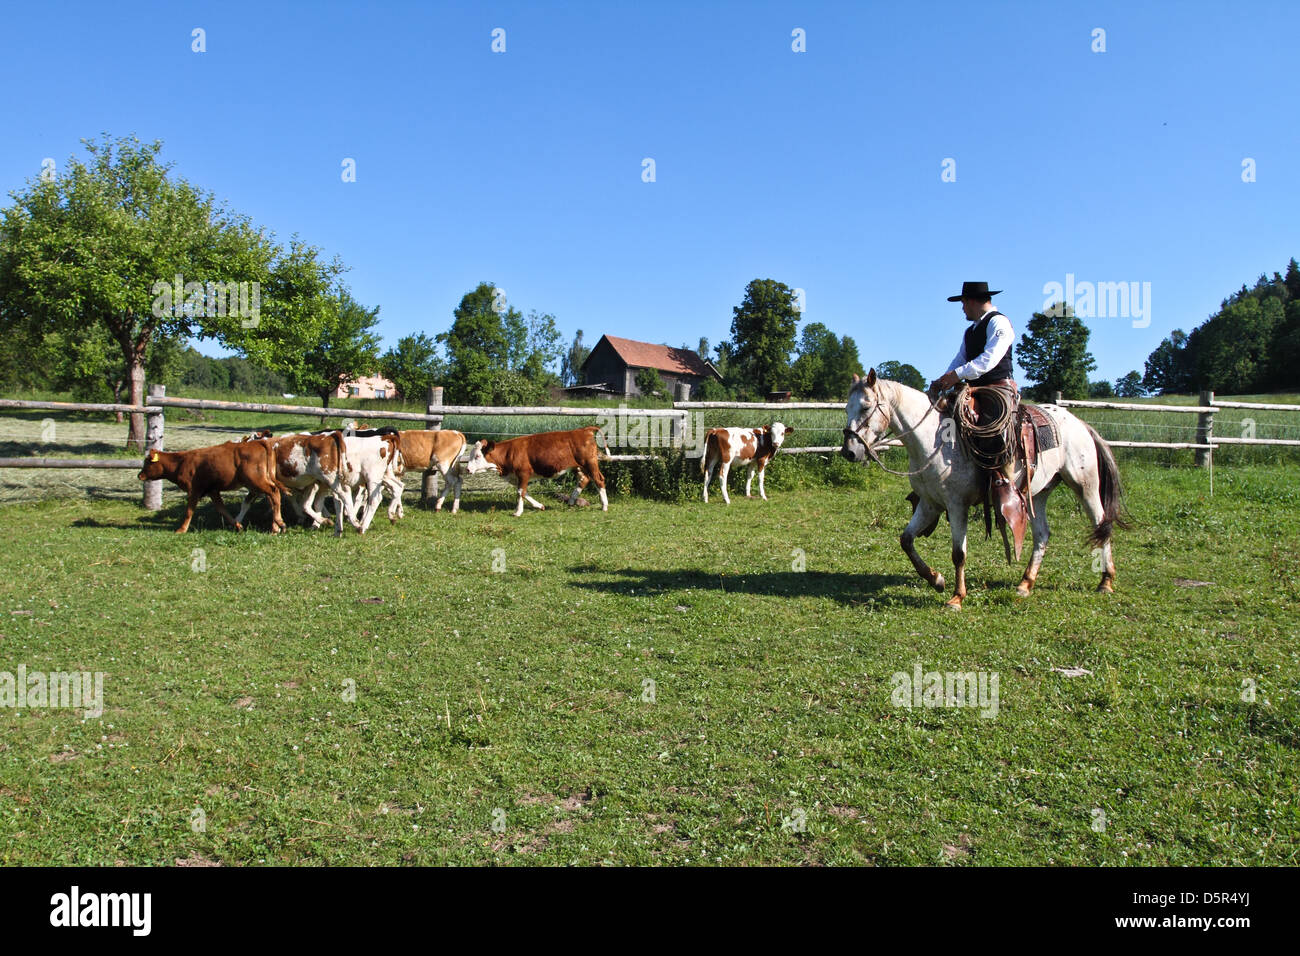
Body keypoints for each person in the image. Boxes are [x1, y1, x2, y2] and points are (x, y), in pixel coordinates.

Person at [927, 281, 1027, 560]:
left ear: (973, 301)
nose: (961, 308)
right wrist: (942, 380)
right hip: (972, 389)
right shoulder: (970, 331)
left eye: (963, 302)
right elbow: (959, 359)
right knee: (944, 422)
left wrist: (956, 376)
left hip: (998, 389)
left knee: (993, 430)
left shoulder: (1000, 324)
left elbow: (989, 360)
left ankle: (1002, 483)